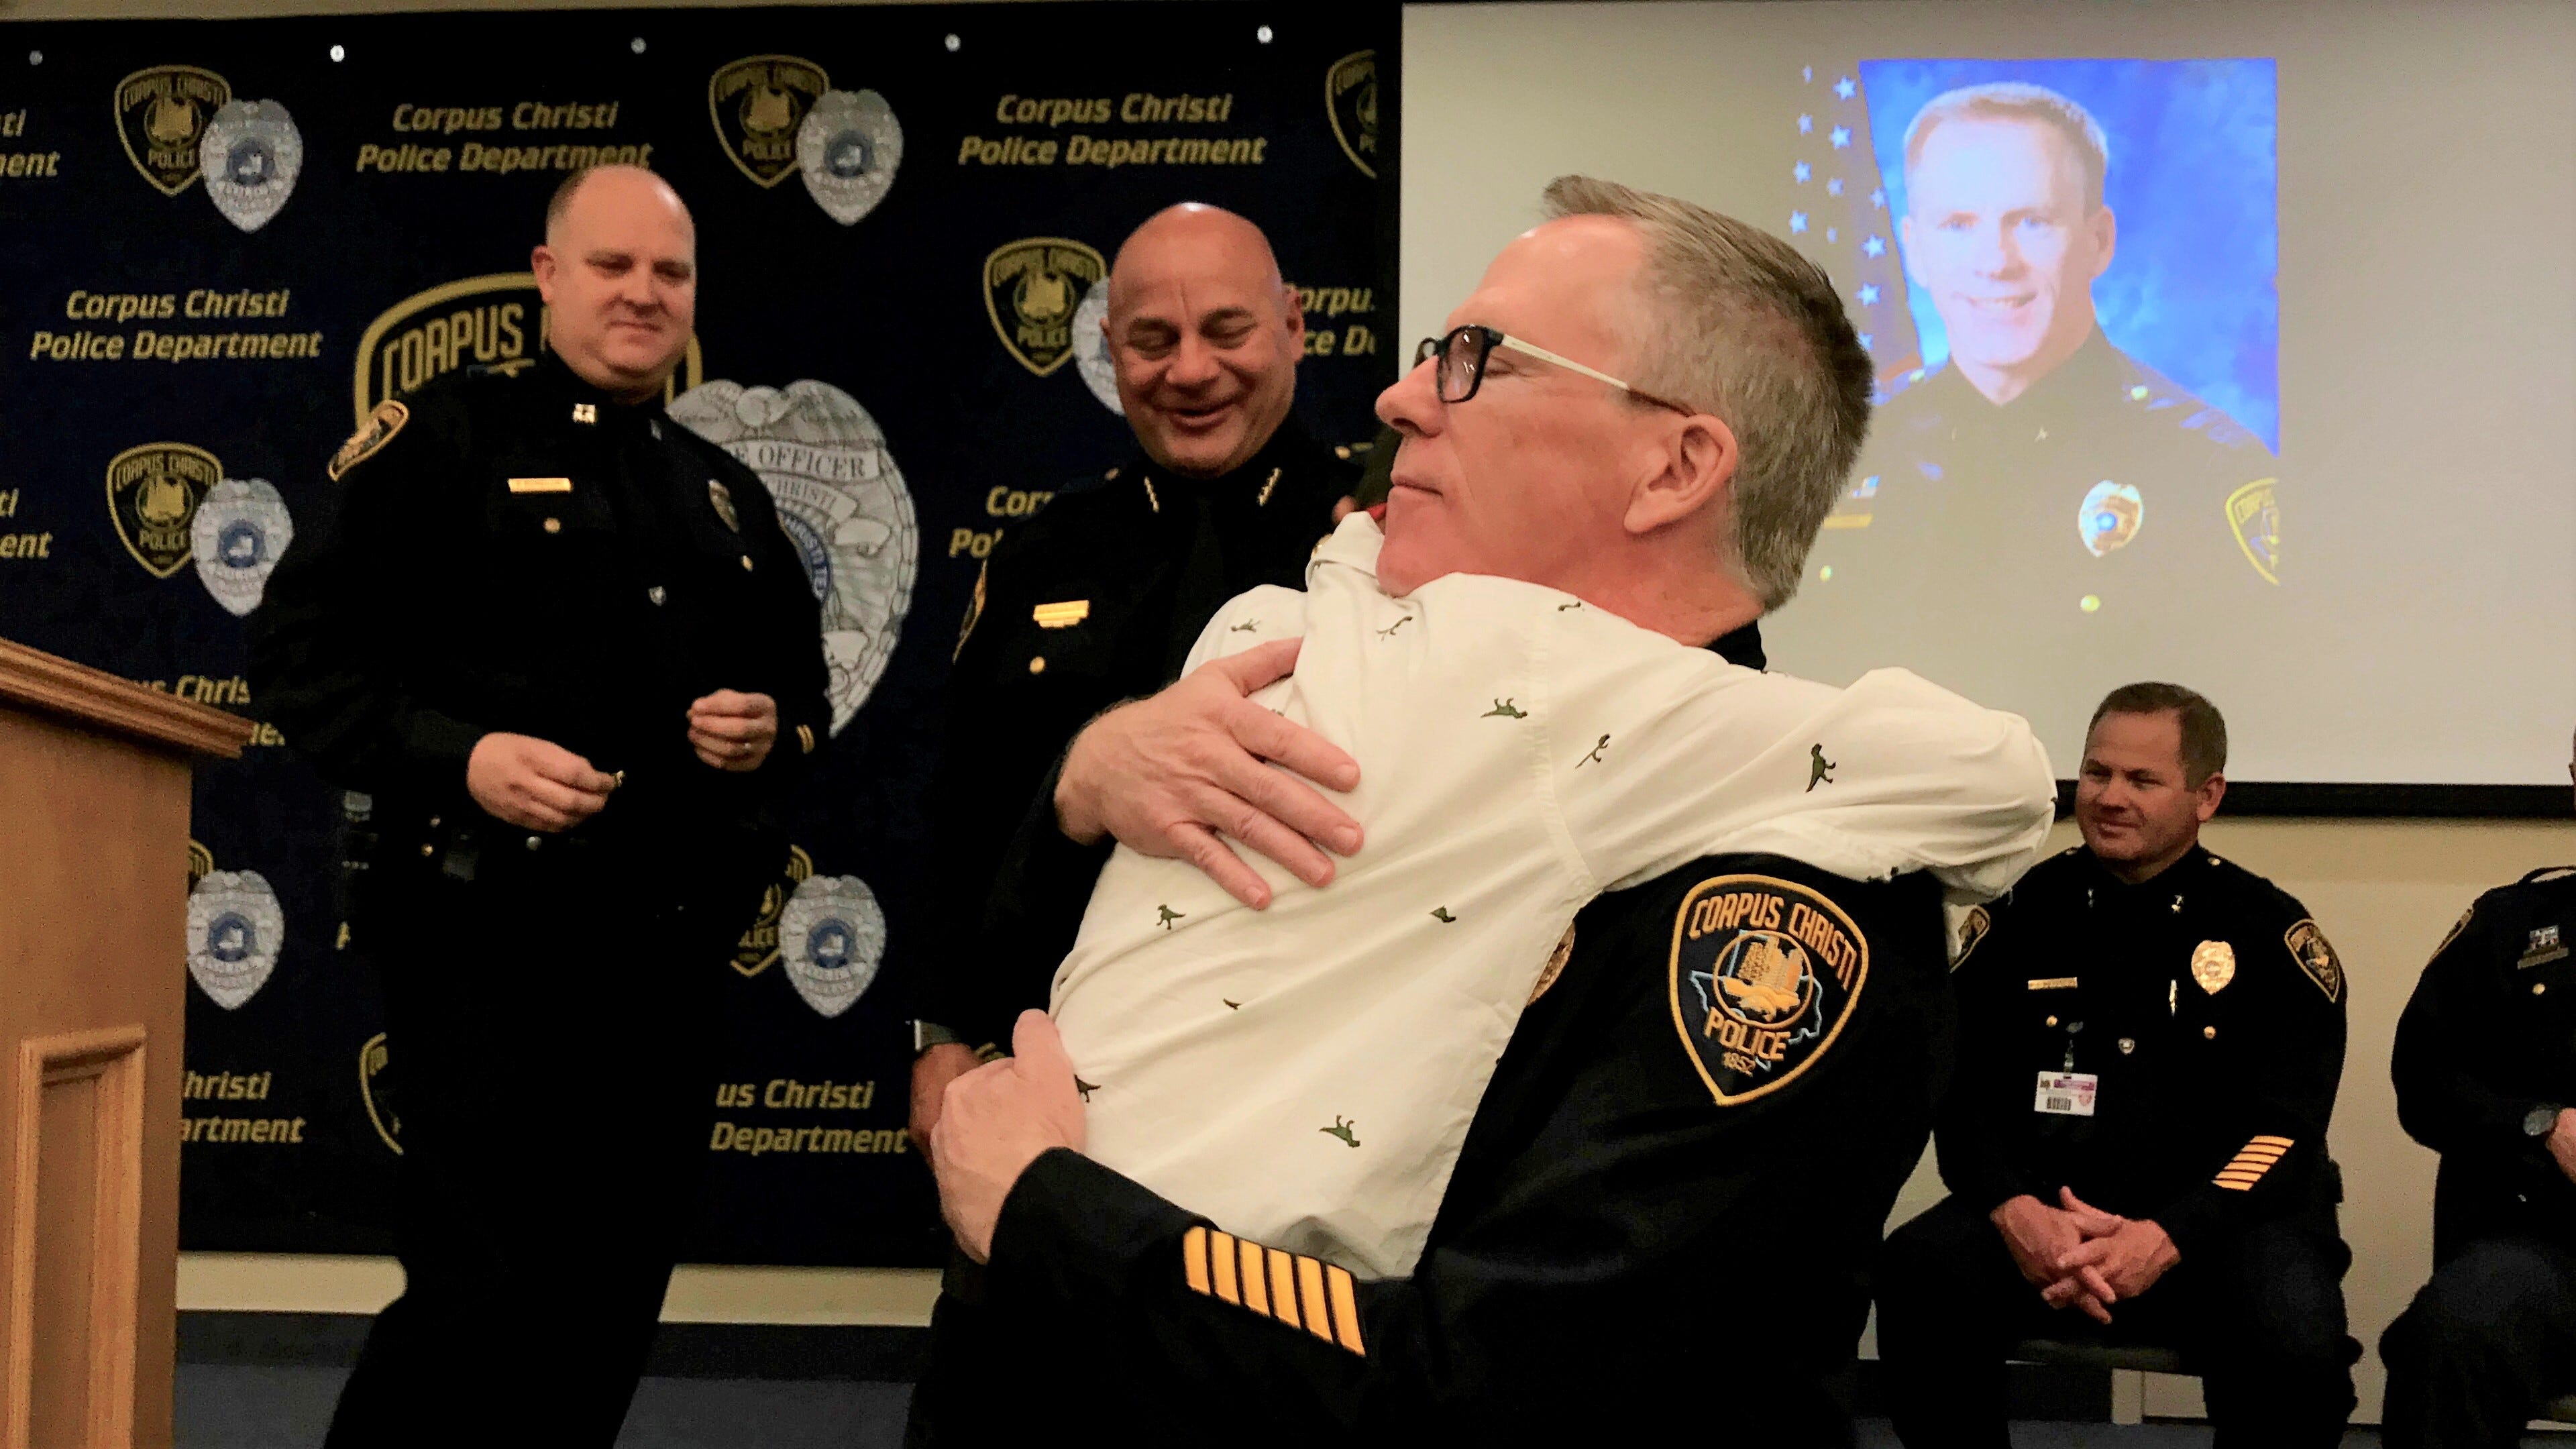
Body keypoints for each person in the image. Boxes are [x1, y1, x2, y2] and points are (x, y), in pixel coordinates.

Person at [912, 176, 2041, 1444]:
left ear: (1674, 465)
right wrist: (1086, 787)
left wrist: (1047, 1210)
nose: (1397, 400)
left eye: (1476, 363)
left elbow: (1506, 1392)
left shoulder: (1781, 879)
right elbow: (1022, 973)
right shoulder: (1318, 666)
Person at [246, 165, 829, 1447]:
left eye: (668, 273)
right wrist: (463, 758)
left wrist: (766, 730)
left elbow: (806, 703)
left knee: (611, 1301)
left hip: (666, 962)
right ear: (548, 275)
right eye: (612, 266)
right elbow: (301, 661)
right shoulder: (444, 438)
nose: (642, 293)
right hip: (487, 955)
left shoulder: (722, 492)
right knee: (477, 1302)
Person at [908, 203, 1359, 1139]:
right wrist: (941, 1031)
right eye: (1153, 340)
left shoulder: (1380, 540)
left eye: (1226, 331)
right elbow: (963, 815)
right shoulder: (1039, 555)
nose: (1191, 371)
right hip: (1051, 1063)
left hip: (1312, 1065)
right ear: (1111, 351)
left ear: (1294, 326)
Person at [1876, 682, 2356, 1448]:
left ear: (2207, 796)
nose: (2109, 797)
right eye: (2097, 773)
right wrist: (2012, 1209)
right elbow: (1957, 1090)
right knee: (1916, 1271)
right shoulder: (2020, 912)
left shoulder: (2267, 933)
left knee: (2296, 1341)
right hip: (2048, 1223)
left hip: (2218, 1233)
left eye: (2142, 780)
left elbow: (2286, 1131)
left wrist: (2167, 1235)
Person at [1792, 82, 2282, 701]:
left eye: (2031, 221)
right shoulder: (1848, 451)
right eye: (1959, 224)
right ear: (1914, 251)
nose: (1995, 261)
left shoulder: (2208, 469)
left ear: (2098, 241)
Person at [2378, 727, 2576, 1449]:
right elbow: (2423, 1081)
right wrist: (2540, 1124)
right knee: (2451, 1334)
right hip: (2547, 1251)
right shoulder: (2511, 925)